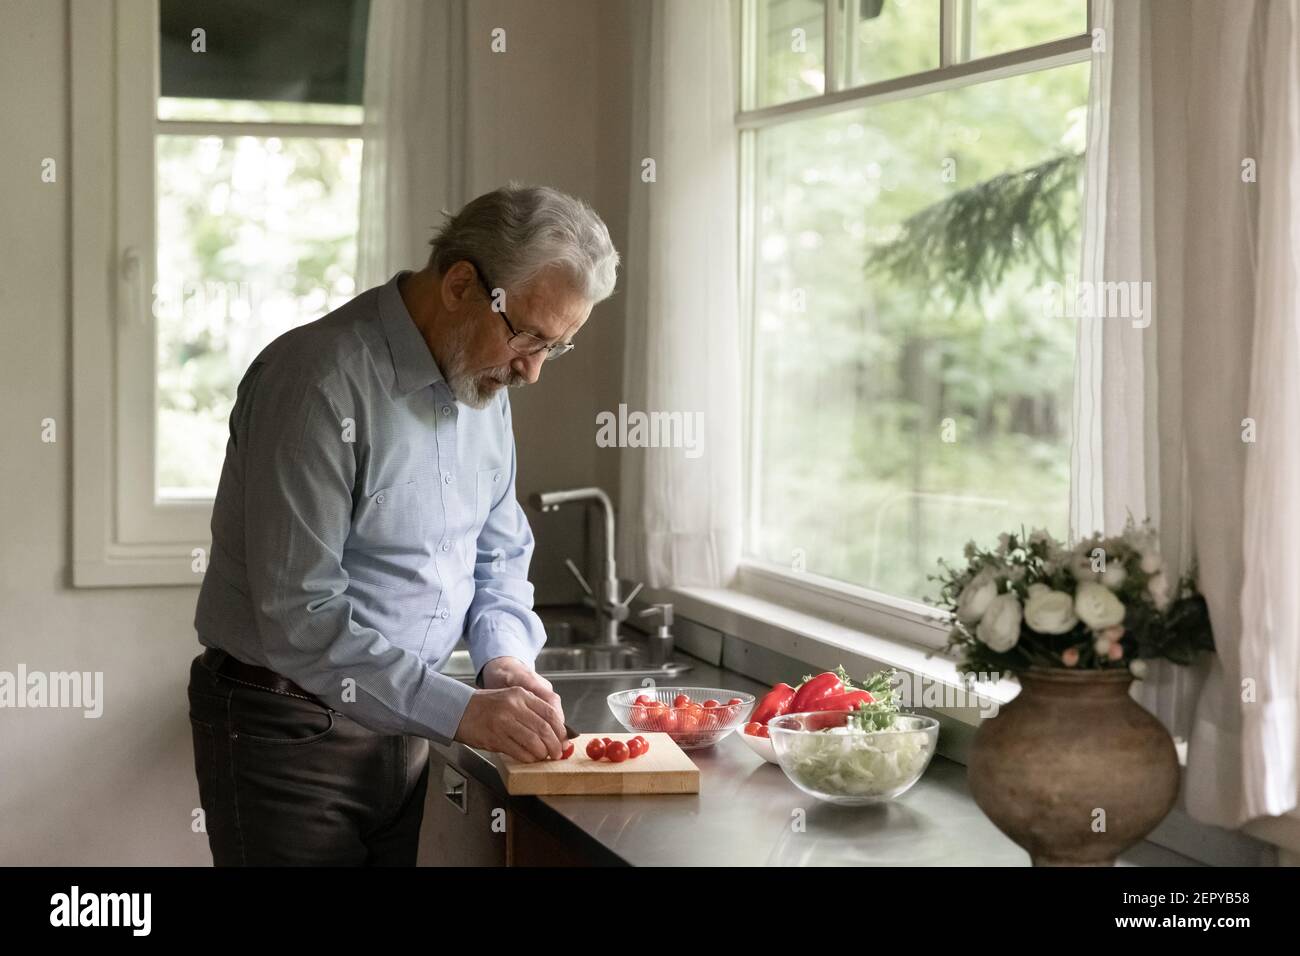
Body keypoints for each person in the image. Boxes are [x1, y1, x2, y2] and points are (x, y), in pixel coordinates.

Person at [186, 182, 620, 865]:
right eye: (529, 336)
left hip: (405, 727)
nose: (533, 372)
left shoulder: (485, 382)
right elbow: (301, 614)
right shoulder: (317, 382)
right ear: (459, 285)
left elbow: (500, 554)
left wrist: (503, 659)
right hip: (289, 733)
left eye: (555, 348)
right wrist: (465, 710)